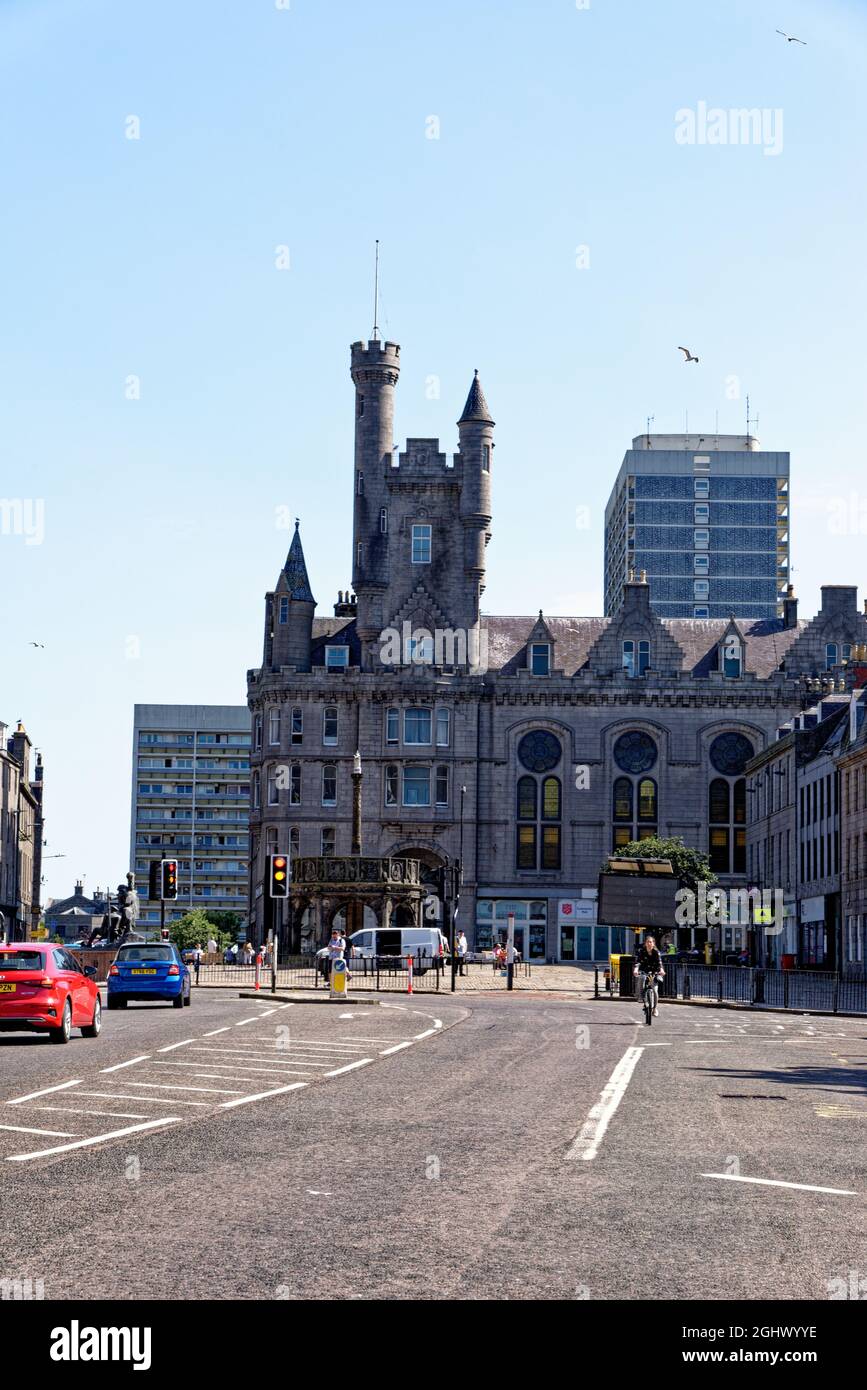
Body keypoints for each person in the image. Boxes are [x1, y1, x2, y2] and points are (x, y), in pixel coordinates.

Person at [633, 933, 664, 1016]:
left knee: (654, 990)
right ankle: (640, 997)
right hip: (644, 971)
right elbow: (638, 962)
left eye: (651, 942)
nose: (649, 943)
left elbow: (659, 963)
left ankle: (655, 1009)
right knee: (641, 978)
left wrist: (661, 970)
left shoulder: (656, 952)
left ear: (653, 943)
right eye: (648, 942)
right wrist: (636, 970)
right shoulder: (642, 951)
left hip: (654, 972)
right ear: (645, 943)